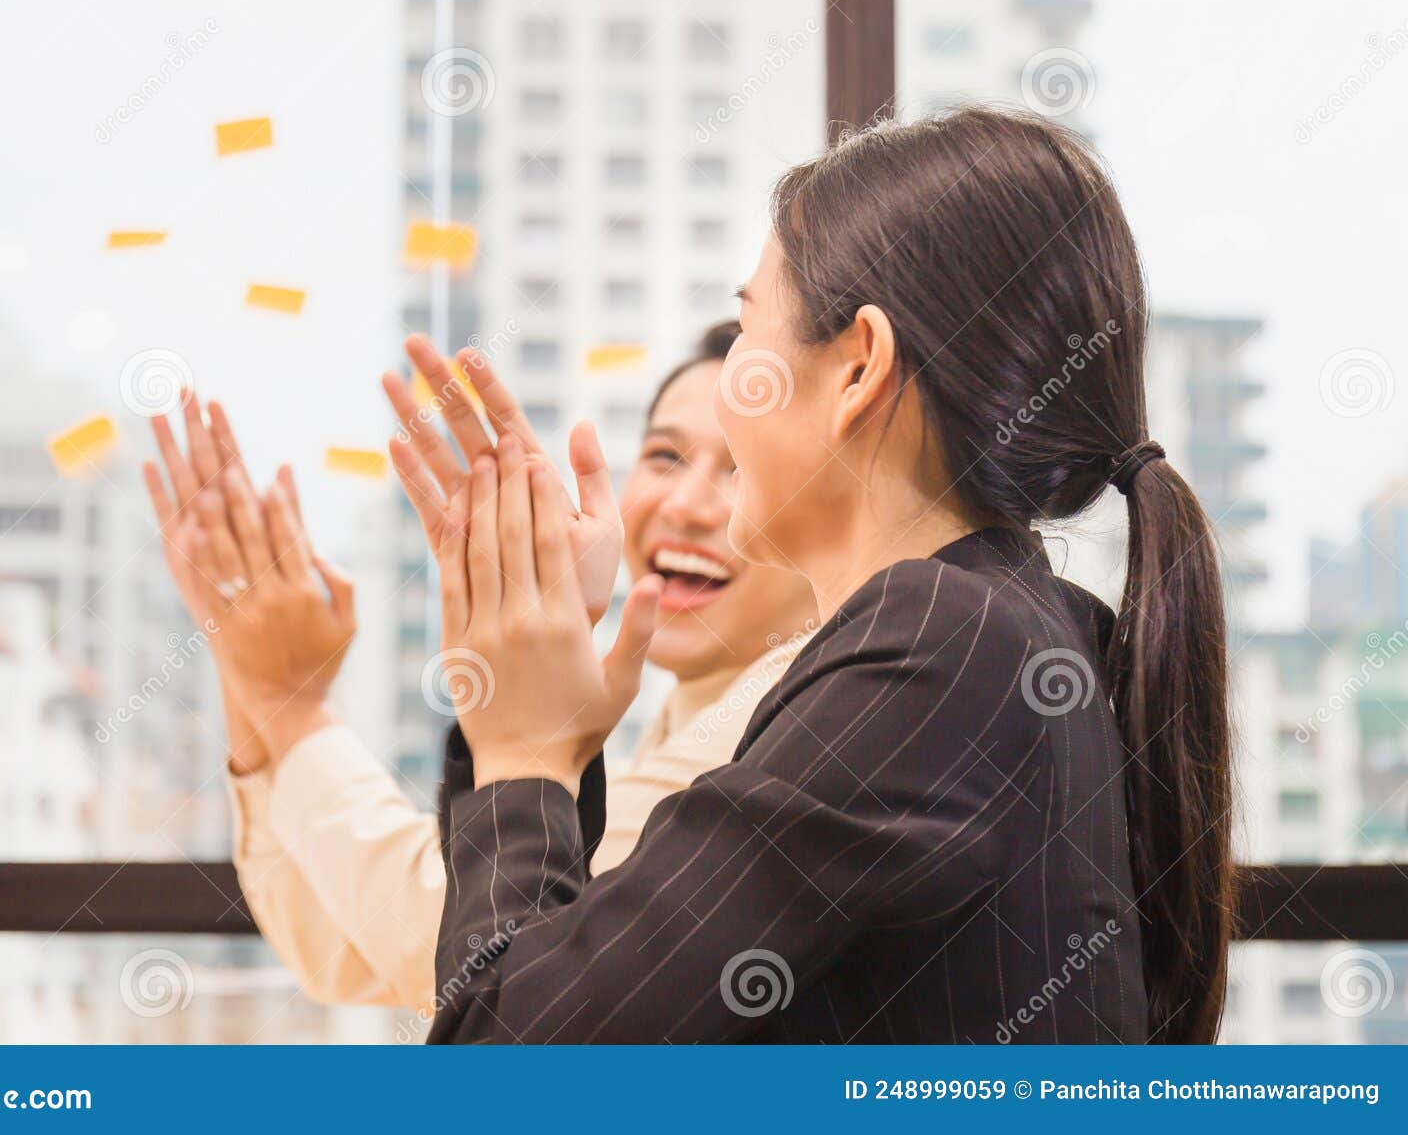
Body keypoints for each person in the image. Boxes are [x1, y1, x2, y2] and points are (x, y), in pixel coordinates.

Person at [181, 106, 1233, 1044]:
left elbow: (501, 1058)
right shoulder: (1008, 626)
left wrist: (524, 752)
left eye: (751, 327)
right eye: (664, 452)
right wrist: (546, 743)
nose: (701, 468)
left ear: (857, 367)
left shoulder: (936, 646)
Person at [142, 322, 816, 1013]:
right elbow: (342, 954)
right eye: (665, 455)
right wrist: (247, 650)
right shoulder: (691, 707)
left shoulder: (793, 704)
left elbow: (445, 942)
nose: (686, 505)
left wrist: (293, 704)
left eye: (743, 469)